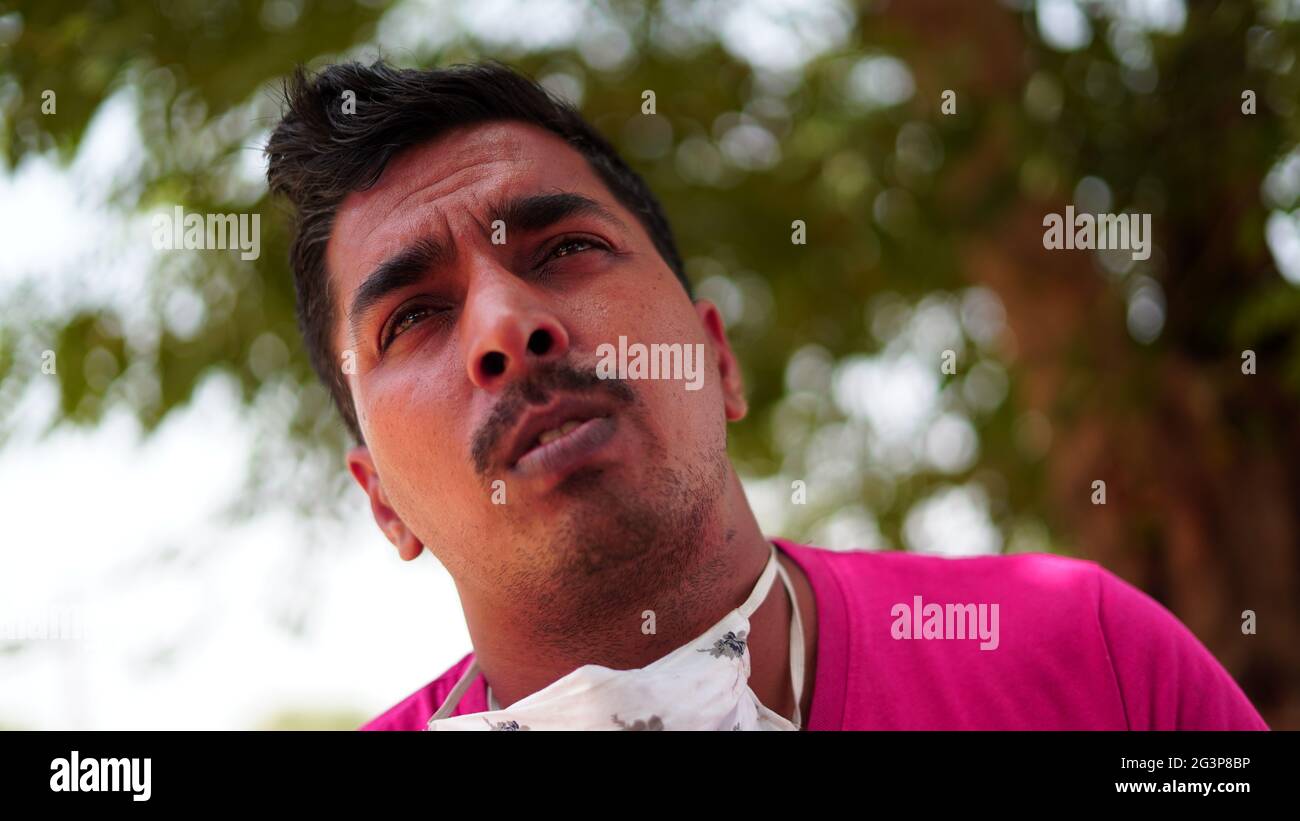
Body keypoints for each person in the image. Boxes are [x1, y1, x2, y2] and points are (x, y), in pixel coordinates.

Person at [264, 60, 1268, 731]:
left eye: (565, 248)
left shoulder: (1087, 658)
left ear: (718, 360)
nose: (507, 329)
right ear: (381, 499)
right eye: (413, 318)